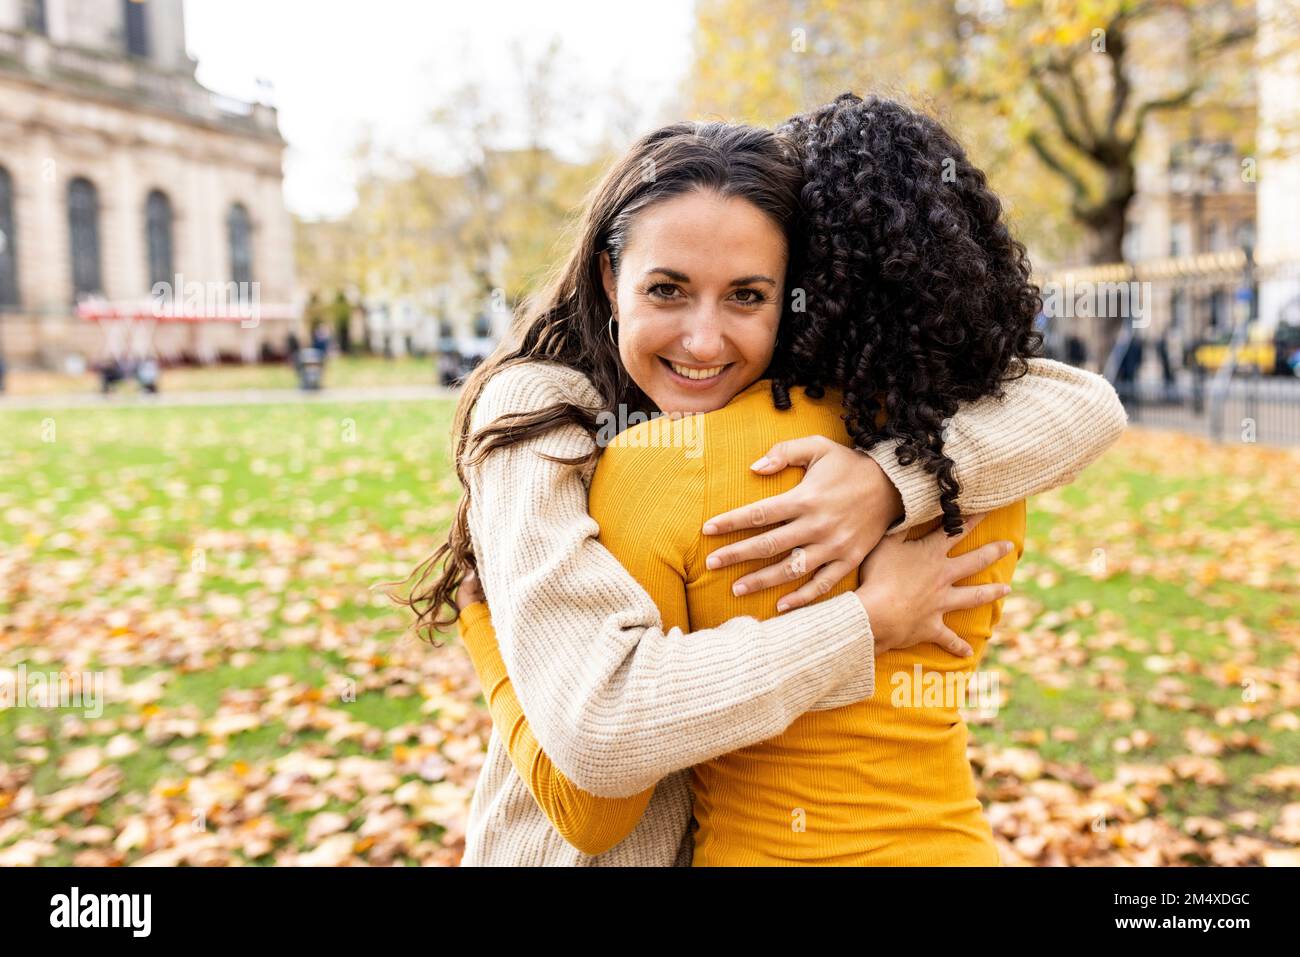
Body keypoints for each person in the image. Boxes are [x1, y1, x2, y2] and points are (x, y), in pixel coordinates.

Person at [395, 104, 1125, 866]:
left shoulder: (781, 420)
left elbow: (1084, 403)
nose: (704, 339)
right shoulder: (537, 412)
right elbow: (599, 730)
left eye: (746, 295)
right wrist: (865, 622)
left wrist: (888, 480)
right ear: (611, 277)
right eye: (667, 290)